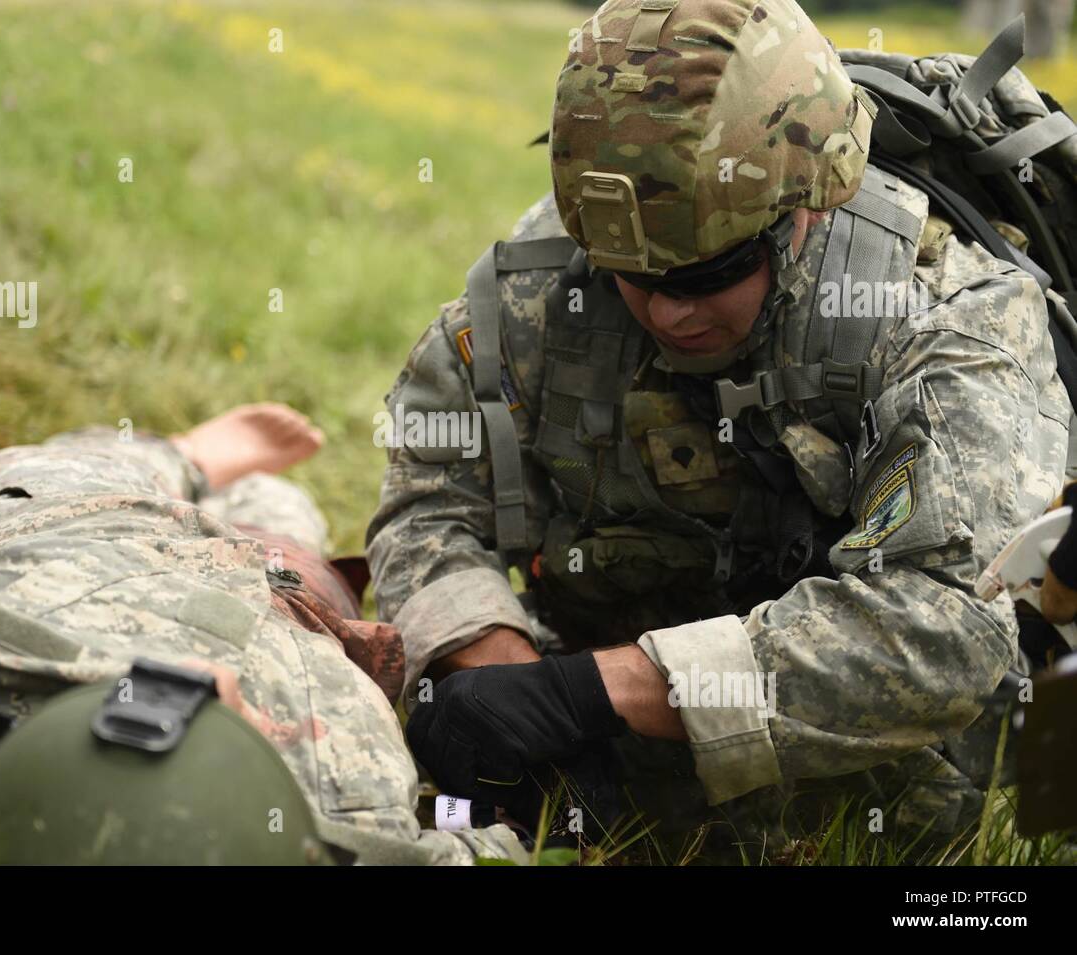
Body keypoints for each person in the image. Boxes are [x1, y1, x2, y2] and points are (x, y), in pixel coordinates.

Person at [368, 0, 1072, 847]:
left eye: (714, 270)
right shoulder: (543, 293)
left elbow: (949, 626)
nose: (669, 310)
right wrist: (498, 677)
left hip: (881, 775)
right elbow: (432, 494)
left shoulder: (943, 318)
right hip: (612, 711)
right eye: (633, 270)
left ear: (809, 202)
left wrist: (594, 692)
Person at [0, 403, 527, 865]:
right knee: (283, 533)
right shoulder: (346, 820)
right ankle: (266, 503)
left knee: (47, 472)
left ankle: (191, 458)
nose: (207, 687)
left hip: (80, 547)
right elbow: (503, 843)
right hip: (290, 610)